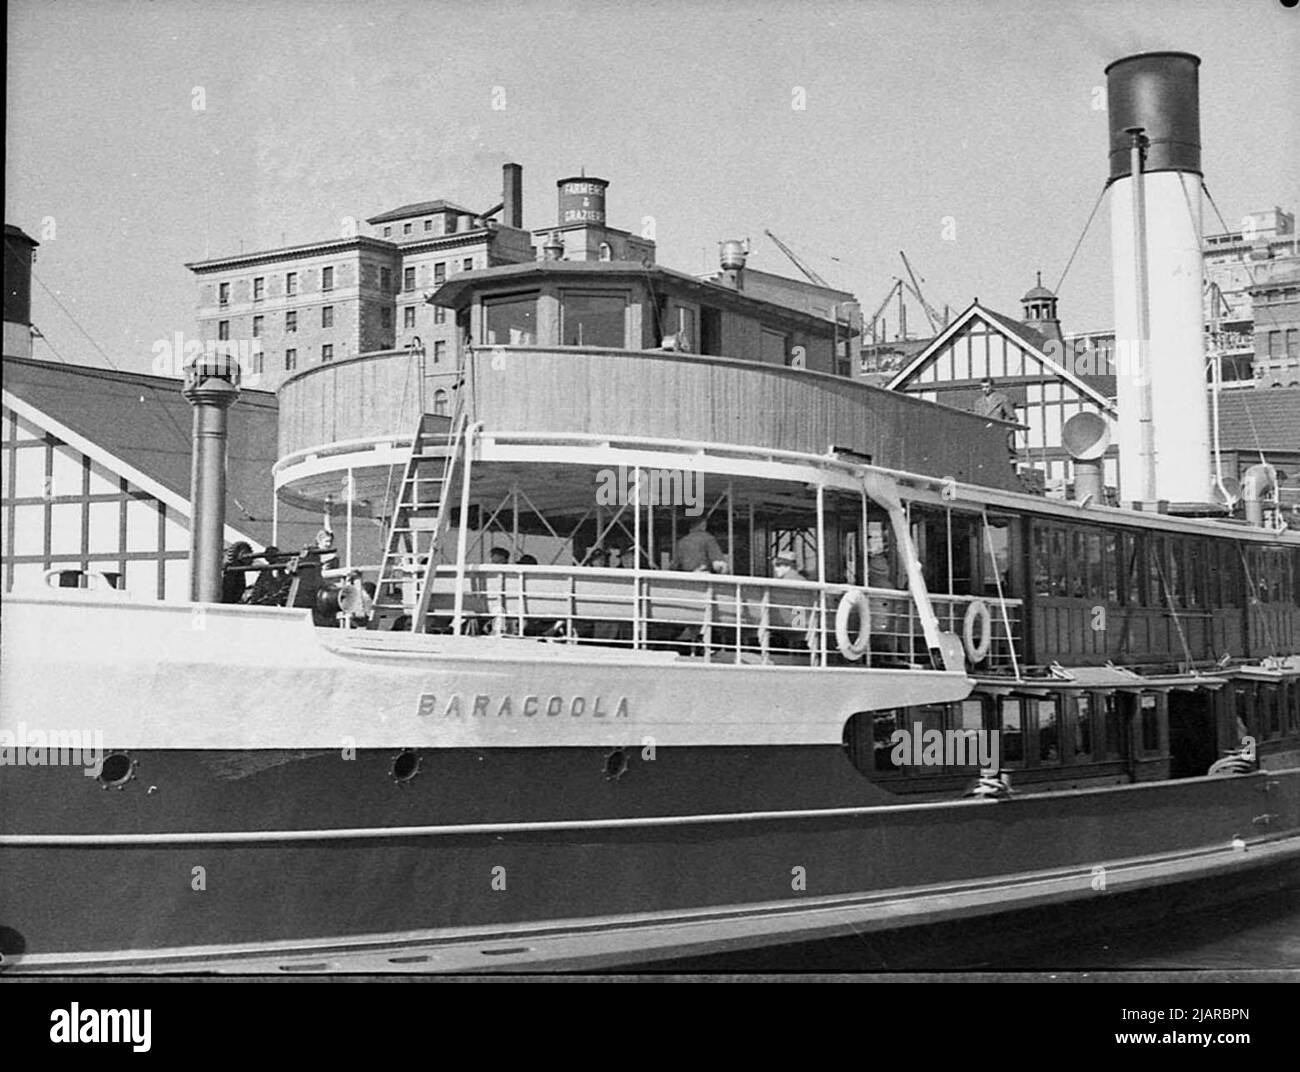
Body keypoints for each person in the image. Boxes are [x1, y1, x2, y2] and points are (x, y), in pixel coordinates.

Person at [769, 551, 816, 650]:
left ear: (787, 566)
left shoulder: (787, 581)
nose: (775, 569)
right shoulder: (802, 580)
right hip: (804, 620)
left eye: (778, 565)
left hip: (795, 621)